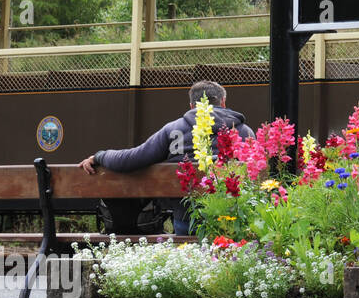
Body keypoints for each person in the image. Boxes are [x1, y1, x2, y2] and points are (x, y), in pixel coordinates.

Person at [78, 80, 254, 235]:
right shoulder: (243, 131)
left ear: (192, 106)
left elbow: (132, 159)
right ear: (222, 102)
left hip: (186, 220)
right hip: (233, 221)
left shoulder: (172, 130)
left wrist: (100, 156)